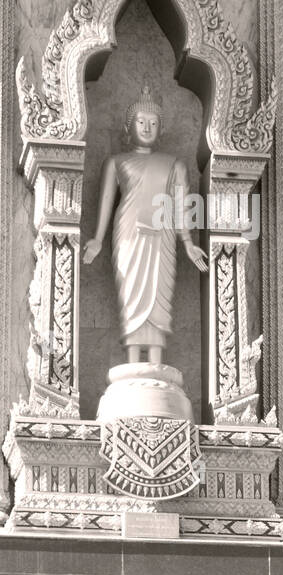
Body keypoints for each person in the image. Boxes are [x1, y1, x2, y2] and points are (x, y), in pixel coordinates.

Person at [83, 84, 207, 366]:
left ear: (161, 128)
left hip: (163, 237)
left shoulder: (174, 164)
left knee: (159, 301)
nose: (147, 127)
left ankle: (155, 364)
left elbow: (181, 205)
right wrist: (97, 239)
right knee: (131, 297)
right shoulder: (117, 162)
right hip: (129, 233)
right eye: (141, 122)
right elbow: (105, 202)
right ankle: (131, 365)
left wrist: (188, 243)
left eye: (153, 123)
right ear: (130, 127)